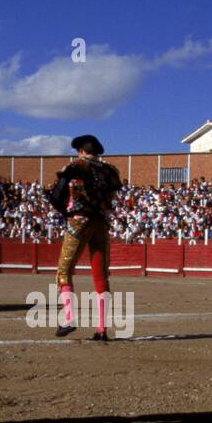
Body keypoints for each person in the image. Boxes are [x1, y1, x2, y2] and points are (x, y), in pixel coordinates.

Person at [50, 135, 124, 341]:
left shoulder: (75, 167)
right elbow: (113, 194)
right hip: (101, 223)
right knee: (100, 274)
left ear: (81, 151)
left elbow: (57, 196)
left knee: (64, 271)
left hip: (79, 223)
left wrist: (65, 211)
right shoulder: (110, 171)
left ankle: (69, 318)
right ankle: (102, 329)